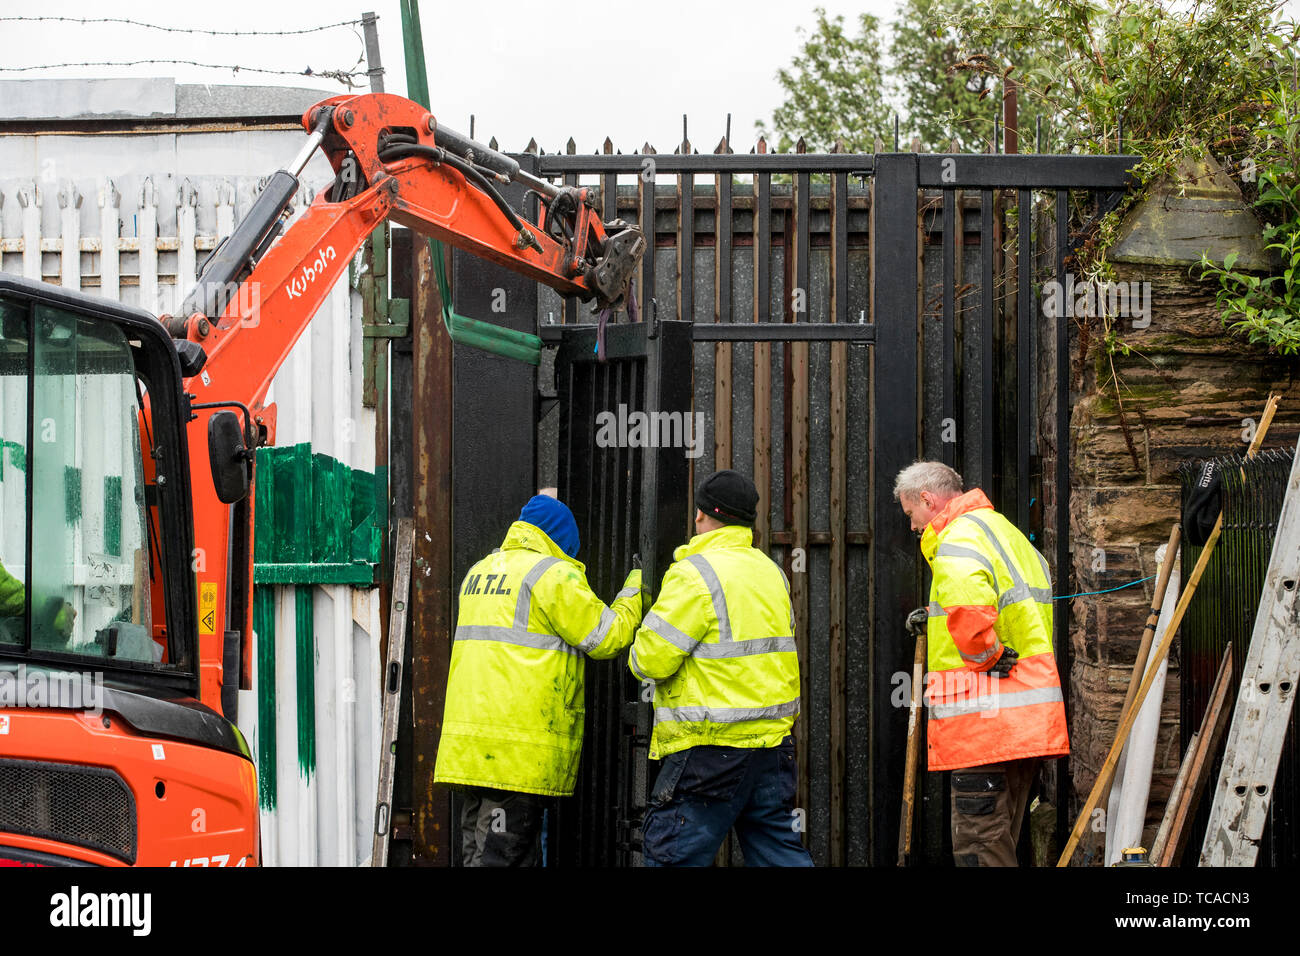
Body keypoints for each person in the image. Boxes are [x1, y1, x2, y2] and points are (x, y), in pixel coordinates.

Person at [433, 493, 643, 867]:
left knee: (479, 853)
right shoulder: (553, 575)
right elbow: (607, 637)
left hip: (470, 750)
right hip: (515, 754)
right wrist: (634, 590)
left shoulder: (479, 571)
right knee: (502, 858)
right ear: (562, 541)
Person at [629, 469, 813, 867]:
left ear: (700, 515)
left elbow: (650, 661)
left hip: (709, 752)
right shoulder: (772, 573)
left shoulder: (694, 573)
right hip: (770, 749)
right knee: (779, 853)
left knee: (673, 857)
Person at [894, 460, 1069, 867]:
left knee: (980, 842)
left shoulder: (958, 537)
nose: (913, 526)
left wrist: (985, 655)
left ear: (927, 498)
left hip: (983, 721)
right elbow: (1008, 606)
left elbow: (970, 606)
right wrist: (936, 615)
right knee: (1003, 833)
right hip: (1024, 715)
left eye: (911, 514)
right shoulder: (1005, 532)